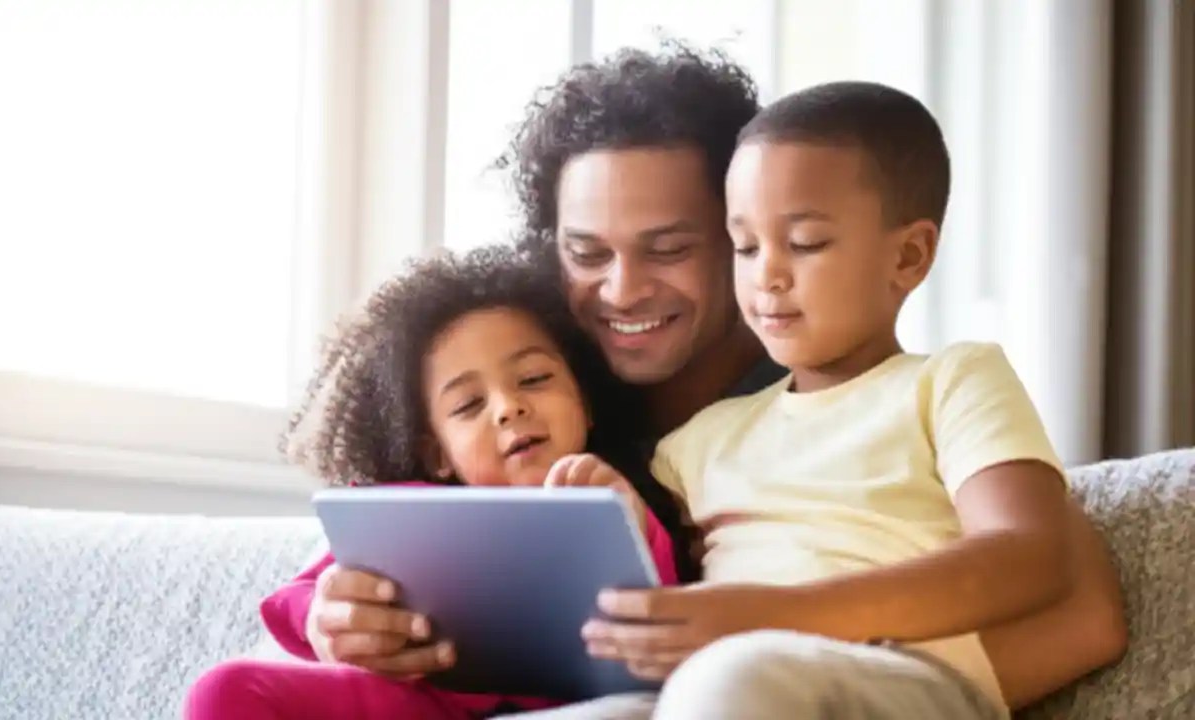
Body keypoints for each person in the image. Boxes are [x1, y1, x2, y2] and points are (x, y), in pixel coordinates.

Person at [270, 44, 1124, 717]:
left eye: (670, 248)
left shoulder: (871, 388)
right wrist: (332, 615)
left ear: (733, 232)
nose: (623, 290)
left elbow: (1078, 605)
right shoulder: (543, 406)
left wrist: (867, 675)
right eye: (586, 253)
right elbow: (378, 536)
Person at [562, 80, 1067, 719]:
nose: (767, 275)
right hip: (732, 685)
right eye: (746, 247)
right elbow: (668, 585)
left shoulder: (951, 381)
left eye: (804, 243)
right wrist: (616, 518)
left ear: (909, 256)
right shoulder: (698, 443)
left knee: (731, 679)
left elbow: (1031, 555)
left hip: (898, 679)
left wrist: (776, 615)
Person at [184, 247, 678, 719]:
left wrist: (632, 524)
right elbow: (302, 593)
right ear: (437, 453)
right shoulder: (405, 512)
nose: (508, 407)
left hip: (580, 701)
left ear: (585, 403)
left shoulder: (619, 498)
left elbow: (667, 621)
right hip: (416, 701)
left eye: (533, 379)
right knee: (223, 689)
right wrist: (321, 615)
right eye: (469, 405)